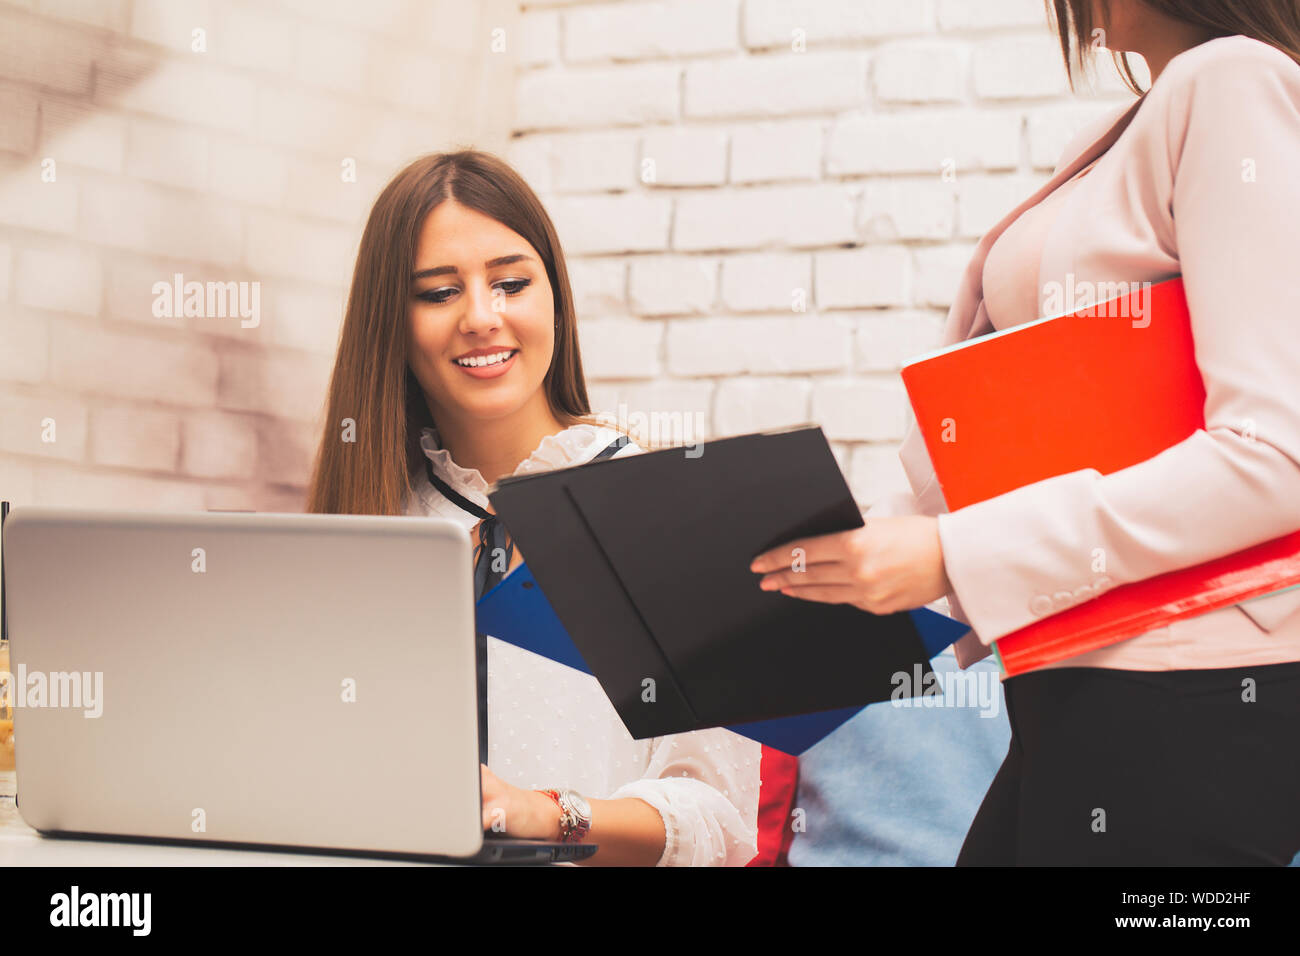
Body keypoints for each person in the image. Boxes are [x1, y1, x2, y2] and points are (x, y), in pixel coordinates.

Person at [750, 0, 1300, 865]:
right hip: (1083, 683)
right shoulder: (1136, 123)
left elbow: (1279, 456)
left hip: (1186, 692)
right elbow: (1061, 420)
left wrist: (952, 553)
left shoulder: (1233, 80)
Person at [306, 149, 760, 866]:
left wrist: (544, 815)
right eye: (437, 293)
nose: (482, 318)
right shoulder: (367, 523)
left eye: (512, 283)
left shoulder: (668, 514)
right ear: (390, 323)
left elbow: (719, 822)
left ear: (555, 298)